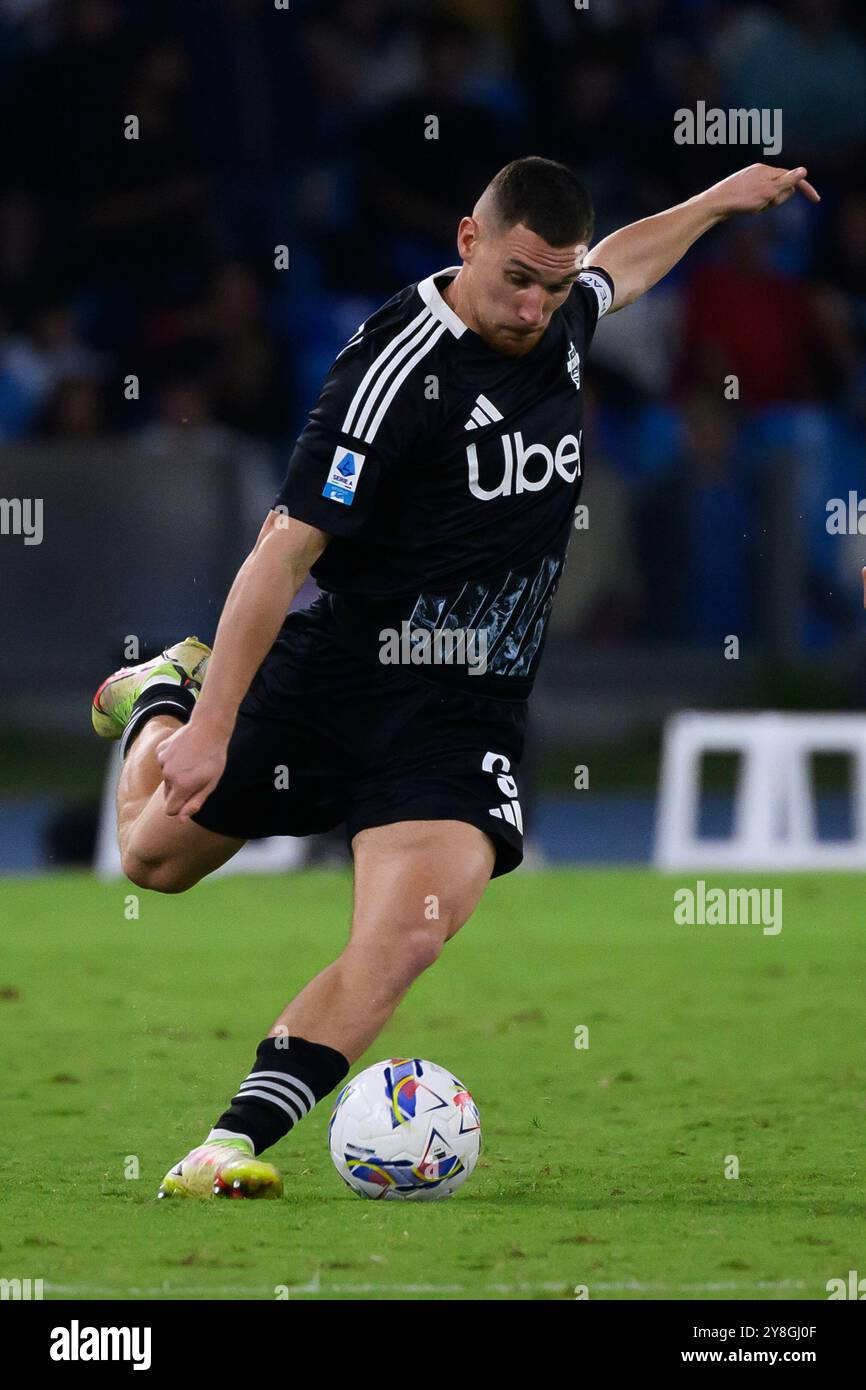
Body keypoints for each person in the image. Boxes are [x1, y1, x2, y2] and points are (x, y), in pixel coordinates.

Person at [91, 156, 819, 1198]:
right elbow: (280, 552)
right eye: (517, 278)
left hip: (463, 705)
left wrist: (709, 204)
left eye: (553, 286)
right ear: (467, 241)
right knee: (151, 860)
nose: (533, 306)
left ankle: (226, 1144)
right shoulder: (393, 369)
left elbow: (623, 264)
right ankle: (162, 688)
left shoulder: (564, 310)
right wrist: (205, 720)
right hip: (341, 669)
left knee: (403, 939)